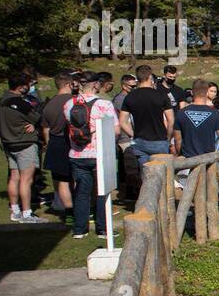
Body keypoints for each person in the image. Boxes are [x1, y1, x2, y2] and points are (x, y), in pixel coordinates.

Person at [64, 73, 119, 239]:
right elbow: (116, 130)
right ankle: (102, 228)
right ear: (96, 85)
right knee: (102, 191)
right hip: (98, 153)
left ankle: (80, 229)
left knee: (81, 191)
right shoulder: (104, 104)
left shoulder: (69, 104)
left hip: (77, 153)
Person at [0, 73, 44, 223]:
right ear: (21, 87)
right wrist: (34, 124)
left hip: (9, 143)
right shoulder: (19, 102)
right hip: (25, 144)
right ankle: (27, 213)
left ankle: (15, 210)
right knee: (26, 179)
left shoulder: (3, 100)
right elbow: (36, 117)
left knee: (14, 177)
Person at [120, 65, 174, 165]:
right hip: (160, 140)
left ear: (138, 79)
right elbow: (171, 120)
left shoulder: (130, 97)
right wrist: (169, 137)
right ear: (150, 77)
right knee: (162, 174)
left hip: (140, 141)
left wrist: (134, 134)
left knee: (145, 174)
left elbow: (122, 122)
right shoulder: (161, 95)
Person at [40, 71, 76, 218]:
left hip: (55, 142)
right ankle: (79, 210)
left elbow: (46, 129)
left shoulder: (49, 104)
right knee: (76, 178)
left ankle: (68, 214)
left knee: (62, 181)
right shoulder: (75, 101)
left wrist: (49, 144)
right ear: (69, 84)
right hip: (72, 142)